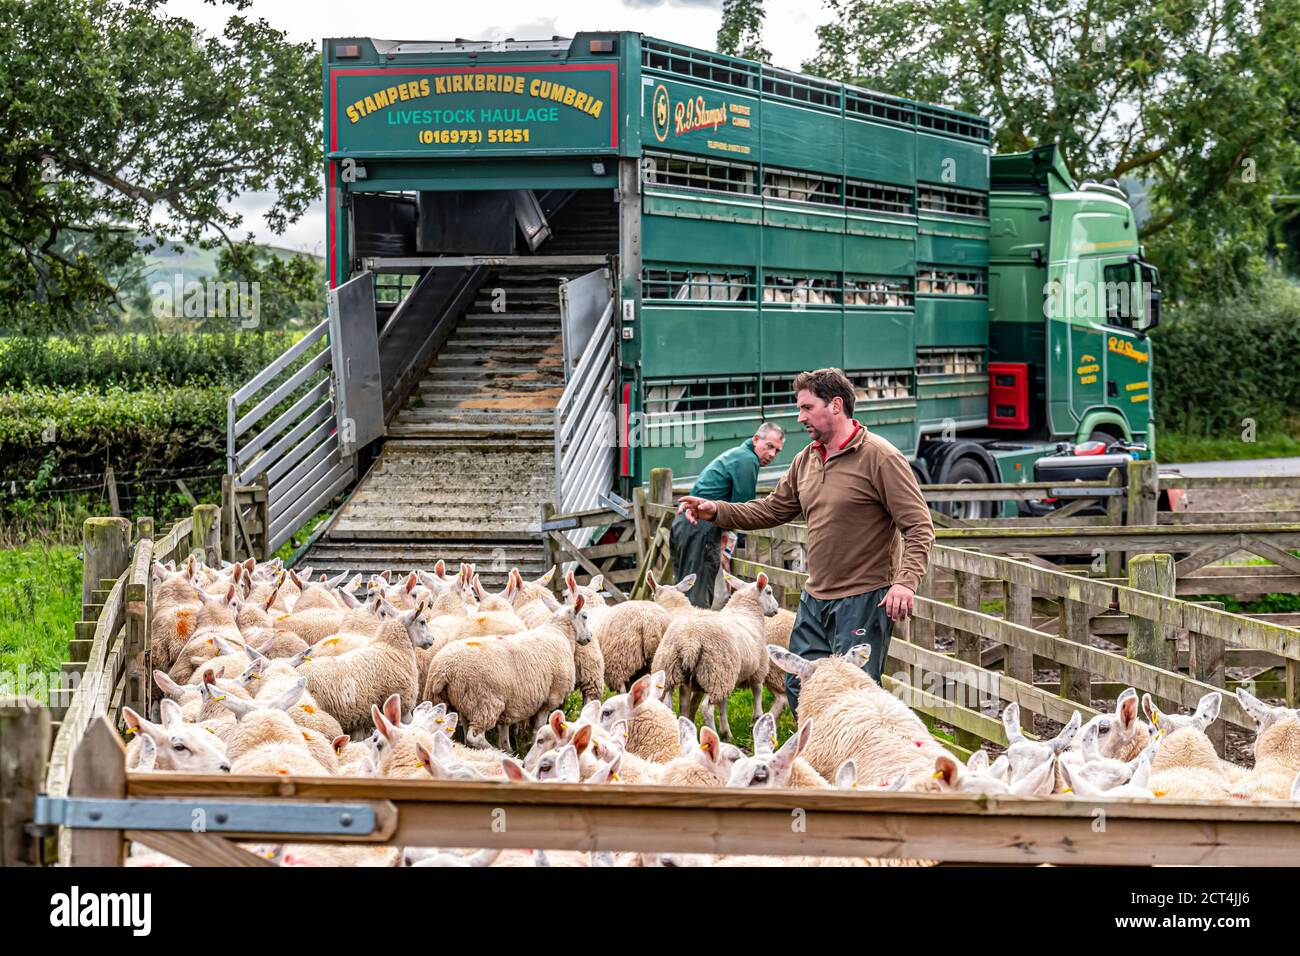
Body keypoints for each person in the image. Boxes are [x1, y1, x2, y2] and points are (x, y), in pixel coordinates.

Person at [676, 368, 934, 719]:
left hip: (863, 597)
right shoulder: (807, 460)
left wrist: (905, 582)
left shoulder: (880, 458)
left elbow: (919, 526)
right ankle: (816, 761)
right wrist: (716, 510)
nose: (800, 418)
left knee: (851, 693)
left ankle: (856, 765)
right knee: (798, 683)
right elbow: (771, 509)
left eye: (807, 408)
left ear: (836, 405)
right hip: (816, 597)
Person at [669, 422, 785, 609]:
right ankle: (697, 636)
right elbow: (744, 509)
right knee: (697, 597)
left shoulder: (737, 455)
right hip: (701, 527)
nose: (772, 454)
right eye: (769, 446)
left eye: (777, 451)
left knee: (685, 591)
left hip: (686, 523)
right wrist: (737, 538)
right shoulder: (748, 460)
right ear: (756, 439)